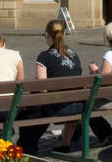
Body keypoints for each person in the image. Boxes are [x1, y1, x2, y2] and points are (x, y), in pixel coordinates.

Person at [18, 20, 85, 154]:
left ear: (47, 35)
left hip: (57, 107)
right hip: (78, 105)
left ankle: (26, 147)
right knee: (51, 104)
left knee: (30, 112)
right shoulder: (74, 54)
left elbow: (43, 88)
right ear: (64, 35)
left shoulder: (44, 57)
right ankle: (65, 143)